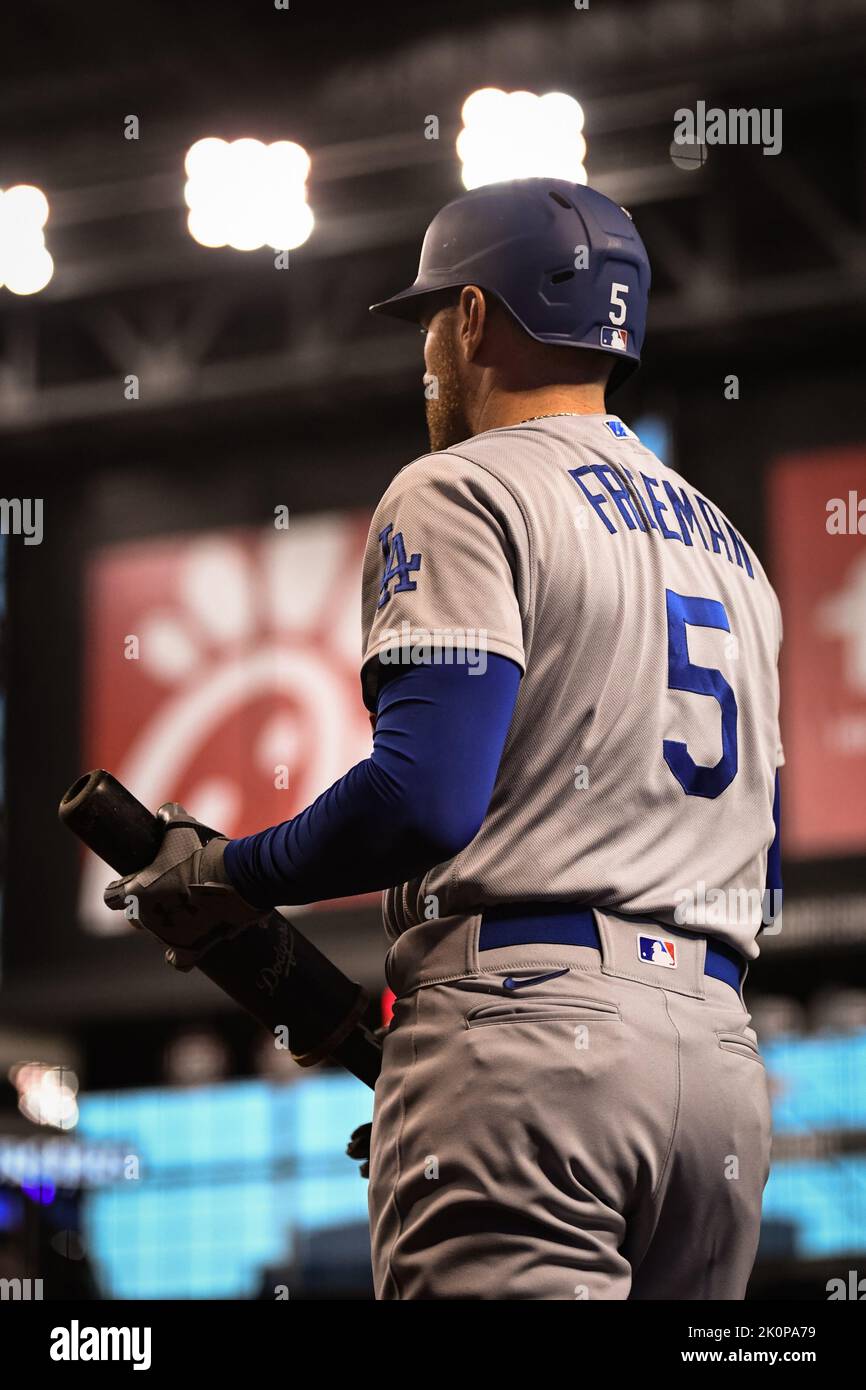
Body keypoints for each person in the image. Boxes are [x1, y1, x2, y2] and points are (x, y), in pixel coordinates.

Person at [104, 178, 782, 1300]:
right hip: (715, 1062)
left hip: (524, 1037)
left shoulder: (458, 486)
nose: (423, 350)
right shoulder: (729, 550)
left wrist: (230, 872)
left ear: (471, 318)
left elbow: (421, 797)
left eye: (429, 317)